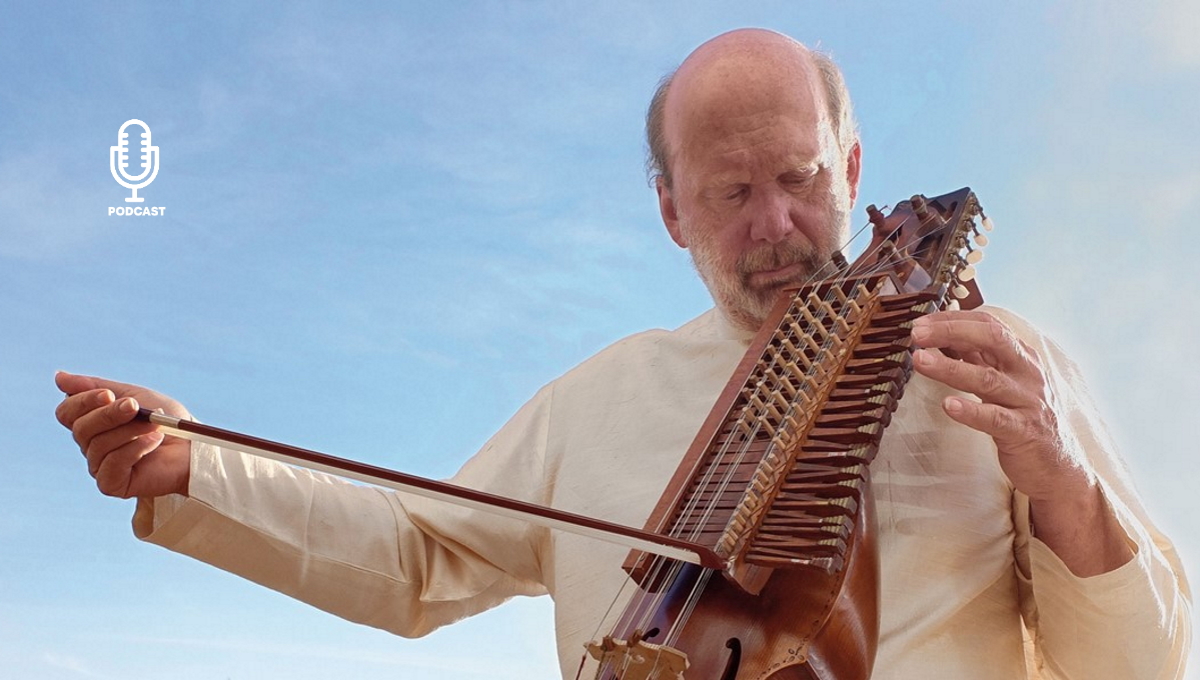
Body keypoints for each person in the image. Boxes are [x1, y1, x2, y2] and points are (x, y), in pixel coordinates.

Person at [55, 28, 1189, 679]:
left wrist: (1062, 481)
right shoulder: (592, 401)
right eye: (730, 193)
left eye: (799, 179)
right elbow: (414, 556)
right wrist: (193, 467)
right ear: (671, 214)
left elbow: (1146, 662)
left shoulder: (1004, 370)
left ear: (851, 168)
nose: (775, 226)